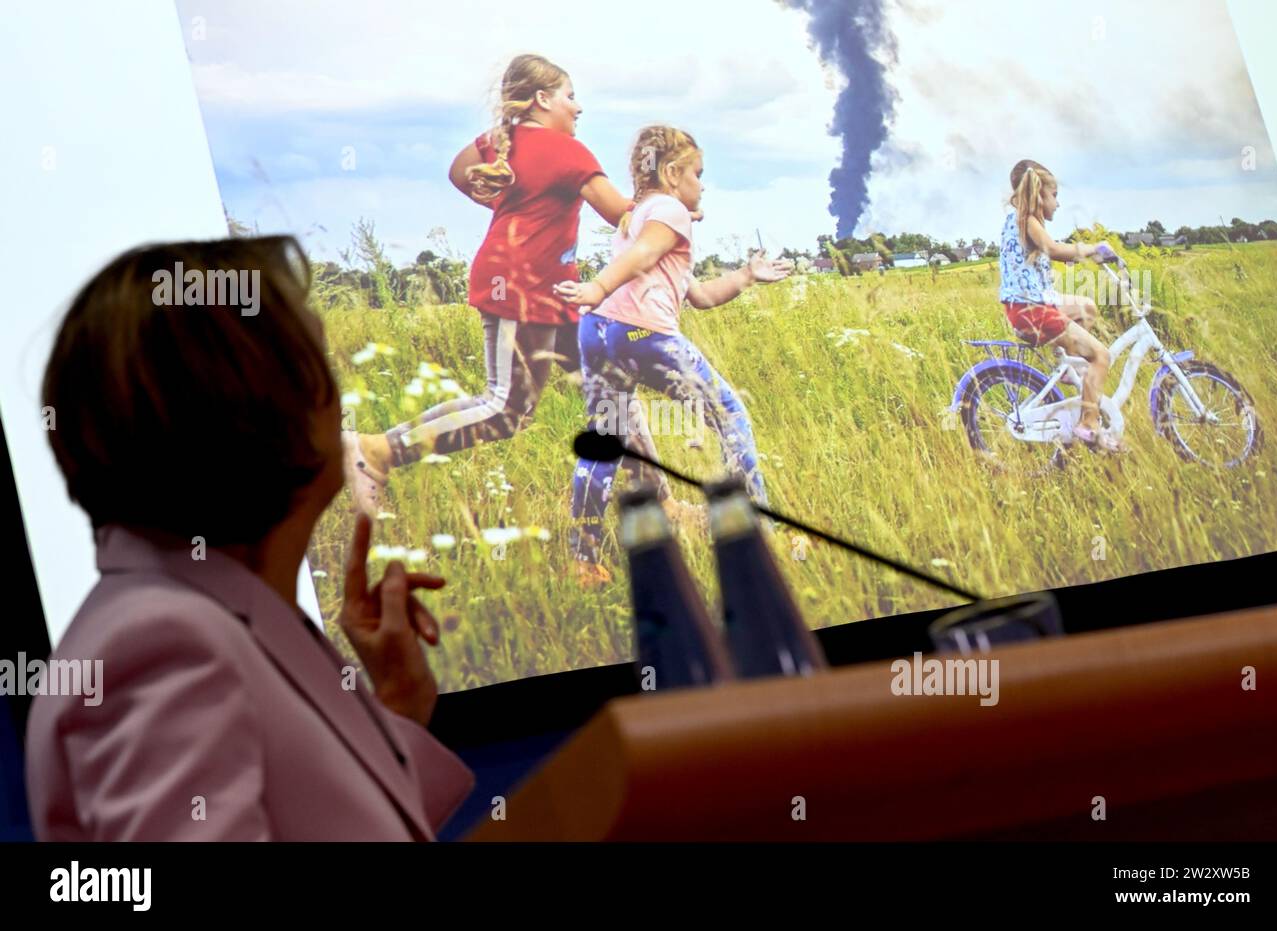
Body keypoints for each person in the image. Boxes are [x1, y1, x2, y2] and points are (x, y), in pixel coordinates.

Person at [25, 236, 473, 840]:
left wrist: (392, 709)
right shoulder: (161, 648)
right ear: (259, 404)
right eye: (319, 366)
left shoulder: (207, 617)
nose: (341, 403)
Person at [344, 54, 700, 531]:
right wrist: (672, 211)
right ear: (542, 99)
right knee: (504, 408)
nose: (578, 108)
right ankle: (375, 451)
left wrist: (495, 197)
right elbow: (623, 215)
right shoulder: (568, 151)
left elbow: (457, 172)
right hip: (521, 288)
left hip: (557, 291)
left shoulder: (501, 143)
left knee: (613, 389)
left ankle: (660, 505)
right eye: (570, 97)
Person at [556, 125, 792, 574]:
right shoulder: (668, 210)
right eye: (698, 173)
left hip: (597, 330)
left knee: (604, 442)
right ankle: (758, 536)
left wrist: (745, 275)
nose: (702, 184)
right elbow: (644, 256)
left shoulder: (638, 216)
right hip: (642, 334)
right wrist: (598, 285)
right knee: (730, 415)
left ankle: (583, 558)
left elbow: (698, 295)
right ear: (671, 172)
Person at [999, 158, 1121, 451]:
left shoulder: (1020, 220)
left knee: (1087, 307)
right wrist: (1091, 250)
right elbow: (1053, 250)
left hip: (1029, 305)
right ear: (1040, 194)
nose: (1058, 204)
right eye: (1055, 196)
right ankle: (1088, 425)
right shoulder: (1026, 221)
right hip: (1033, 311)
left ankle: (1068, 367)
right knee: (1101, 356)